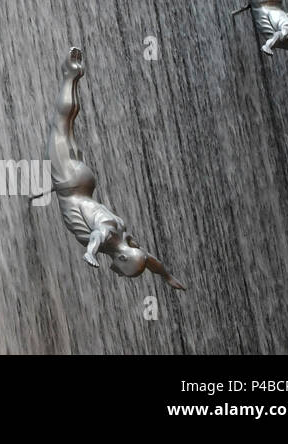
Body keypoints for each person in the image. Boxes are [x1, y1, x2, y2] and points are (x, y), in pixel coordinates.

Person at [33, 48, 186, 289]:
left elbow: (149, 260)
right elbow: (97, 235)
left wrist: (166, 275)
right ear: (123, 257)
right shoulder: (109, 235)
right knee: (59, 124)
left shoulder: (126, 237)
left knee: (67, 124)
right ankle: (70, 75)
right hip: (69, 182)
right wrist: (90, 254)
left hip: (80, 183)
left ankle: (73, 78)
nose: (118, 274)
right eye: (123, 271)